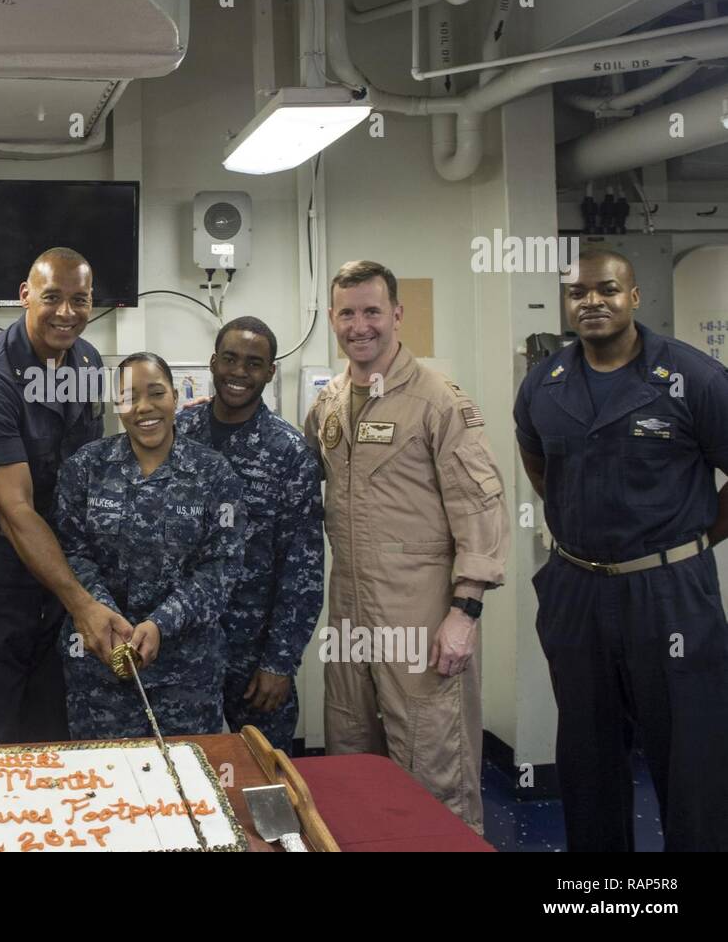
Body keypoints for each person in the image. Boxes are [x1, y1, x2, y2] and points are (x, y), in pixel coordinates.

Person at [515, 247, 728, 851]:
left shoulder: (694, 379)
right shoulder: (545, 383)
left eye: (607, 290)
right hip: (577, 587)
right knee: (586, 756)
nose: (592, 302)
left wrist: (695, 539)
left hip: (670, 594)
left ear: (634, 297)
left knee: (690, 758)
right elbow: (538, 460)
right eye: (578, 292)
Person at [304, 260, 508, 833]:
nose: (360, 325)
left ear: (397, 314)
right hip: (350, 615)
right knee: (351, 757)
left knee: (432, 763)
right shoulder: (331, 403)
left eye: (372, 311)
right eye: (347, 313)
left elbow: (481, 507)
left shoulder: (438, 401)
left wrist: (465, 611)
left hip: (421, 615)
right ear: (333, 319)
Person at [0, 247, 131, 745]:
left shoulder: (83, 360)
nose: (67, 313)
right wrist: (83, 604)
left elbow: (87, 470)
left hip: (51, 558)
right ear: (25, 296)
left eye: (80, 300)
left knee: (47, 715)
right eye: (52, 298)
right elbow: (15, 510)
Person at [54, 353, 246, 738]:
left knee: (187, 785)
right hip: (99, 669)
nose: (144, 407)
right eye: (129, 396)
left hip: (186, 673)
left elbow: (220, 569)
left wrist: (161, 623)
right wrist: (102, 612)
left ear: (175, 397)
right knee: (105, 788)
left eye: (156, 393)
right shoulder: (86, 467)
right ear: (117, 406)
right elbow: (70, 553)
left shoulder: (214, 473)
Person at [176, 317, 323, 751]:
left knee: (267, 779)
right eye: (230, 359)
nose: (239, 372)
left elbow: (303, 568)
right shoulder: (179, 434)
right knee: (186, 769)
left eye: (254, 363)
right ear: (213, 363)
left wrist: (280, 661)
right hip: (182, 647)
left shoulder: (289, 452)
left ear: (271, 372)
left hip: (254, 653)